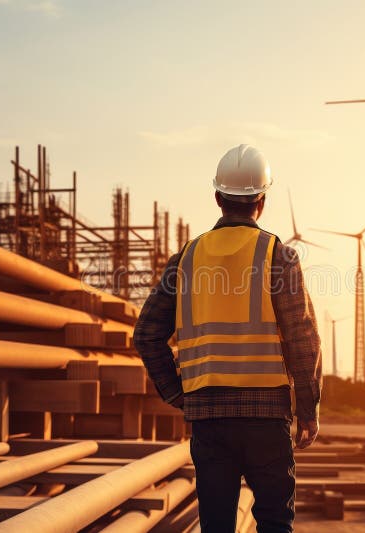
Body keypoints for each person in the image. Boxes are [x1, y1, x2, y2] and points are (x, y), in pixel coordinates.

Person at [133, 144, 322, 533]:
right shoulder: (278, 255)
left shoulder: (186, 258)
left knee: (216, 526)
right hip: (265, 416)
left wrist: (177, 393)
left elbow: (147, 335)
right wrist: (308, 407)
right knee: (274, 522)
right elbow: (303, 339)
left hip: (208, 417)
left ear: (218, 197)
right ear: (262, 201)